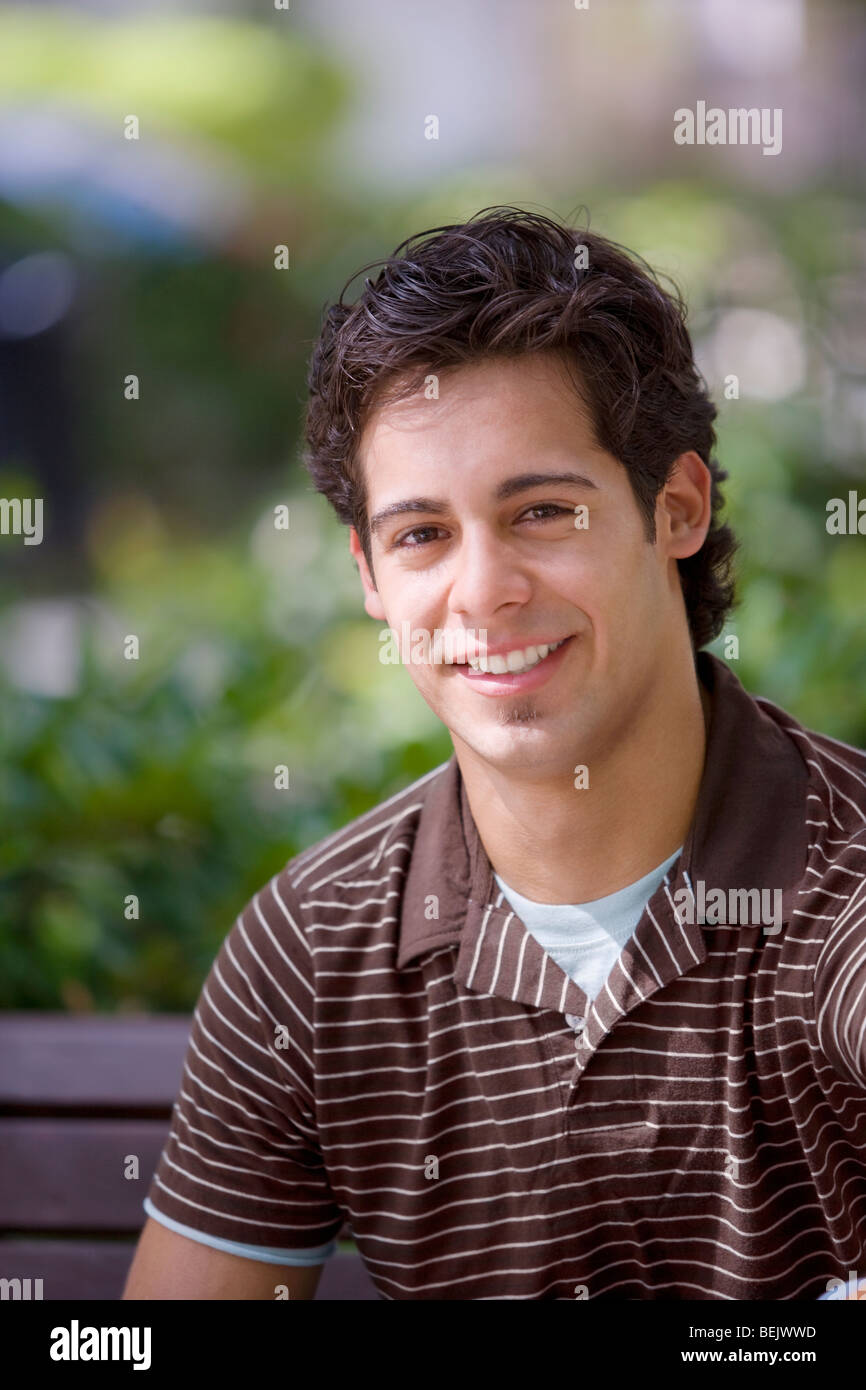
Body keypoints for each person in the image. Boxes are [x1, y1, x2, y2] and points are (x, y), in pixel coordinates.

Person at [123, 207, 866, 1301]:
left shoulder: (842, 892)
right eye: (421, 534)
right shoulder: (314, 945)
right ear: (370, 577)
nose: (482, 592)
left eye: (542, 512)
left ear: (676, 506)